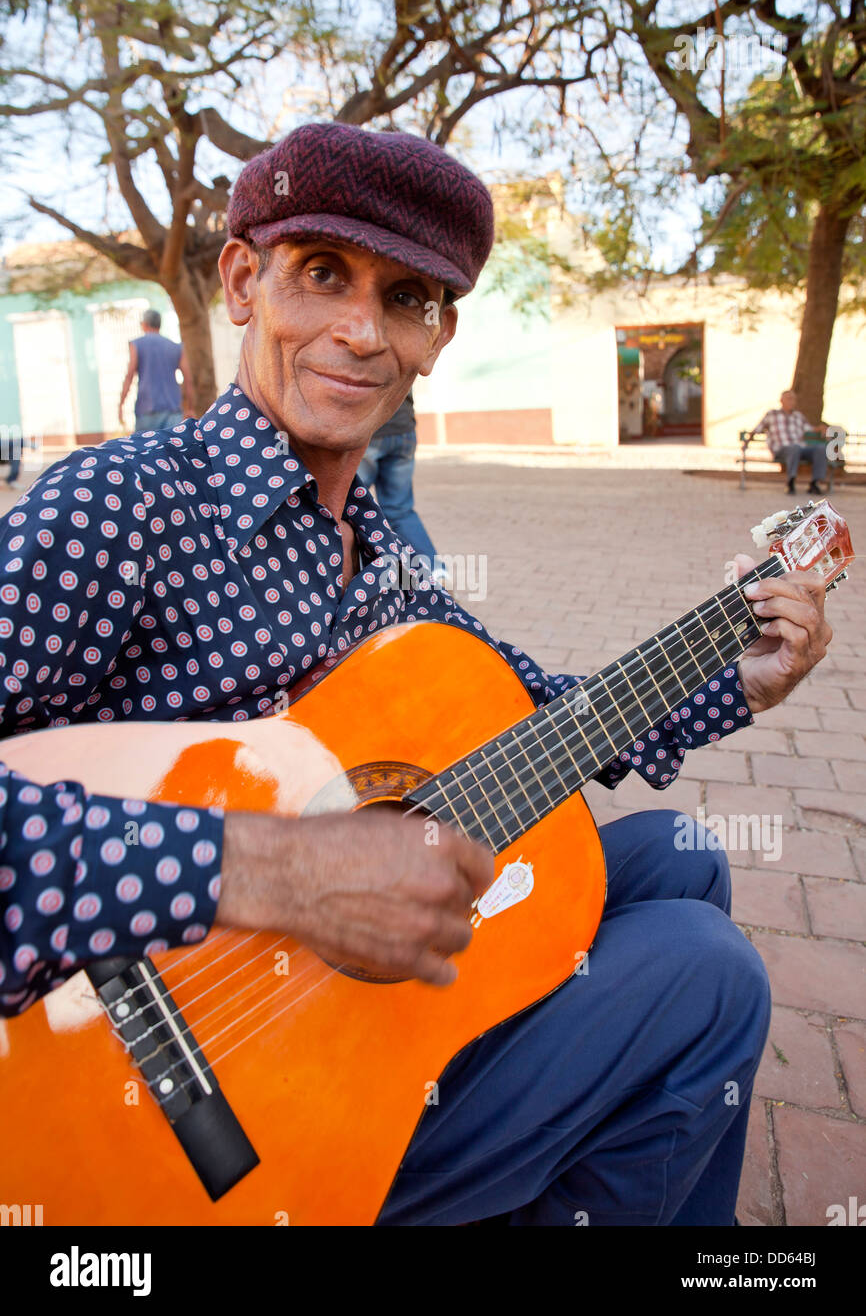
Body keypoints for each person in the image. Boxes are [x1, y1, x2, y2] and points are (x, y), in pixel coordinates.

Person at [0, 123, 833, 1225]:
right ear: (244, 279)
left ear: (437, 336)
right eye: (322, 273)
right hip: (187, 1134)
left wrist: (739, 674)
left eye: (405, 298)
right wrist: (269, 869)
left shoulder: (384, 559)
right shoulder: (122, 508)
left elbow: (536, 711)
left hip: (328, 1030)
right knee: (704, 972)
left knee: (680, 859)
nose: (358, 329)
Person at [358, 387, 441, 580]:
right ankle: (434, 571)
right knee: (400, 510)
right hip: (404, 430)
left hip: (370, 430)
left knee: (346, 505)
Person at [746, 389, 829, 495]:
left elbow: (810, 429)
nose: (792, 401)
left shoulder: (798, 416)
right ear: (781, 400)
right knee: (794, 448)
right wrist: (747, 442)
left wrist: (821, 428)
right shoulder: (772, 414)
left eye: (794, 399)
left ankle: (815, 483)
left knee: (821, 448)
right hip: (781, 449)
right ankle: (791, 481)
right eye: (789, 399)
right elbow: (757, 428)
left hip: (800, 448)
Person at [119, 308, 189, 432]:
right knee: (173, 450)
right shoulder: (175, 347)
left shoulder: (136, 344)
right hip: (173, 410)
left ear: (144, 324)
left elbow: (130, 375)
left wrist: (121, 404)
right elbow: (188, 378)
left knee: (146, 449)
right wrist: (190, 407)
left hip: (147, 409)